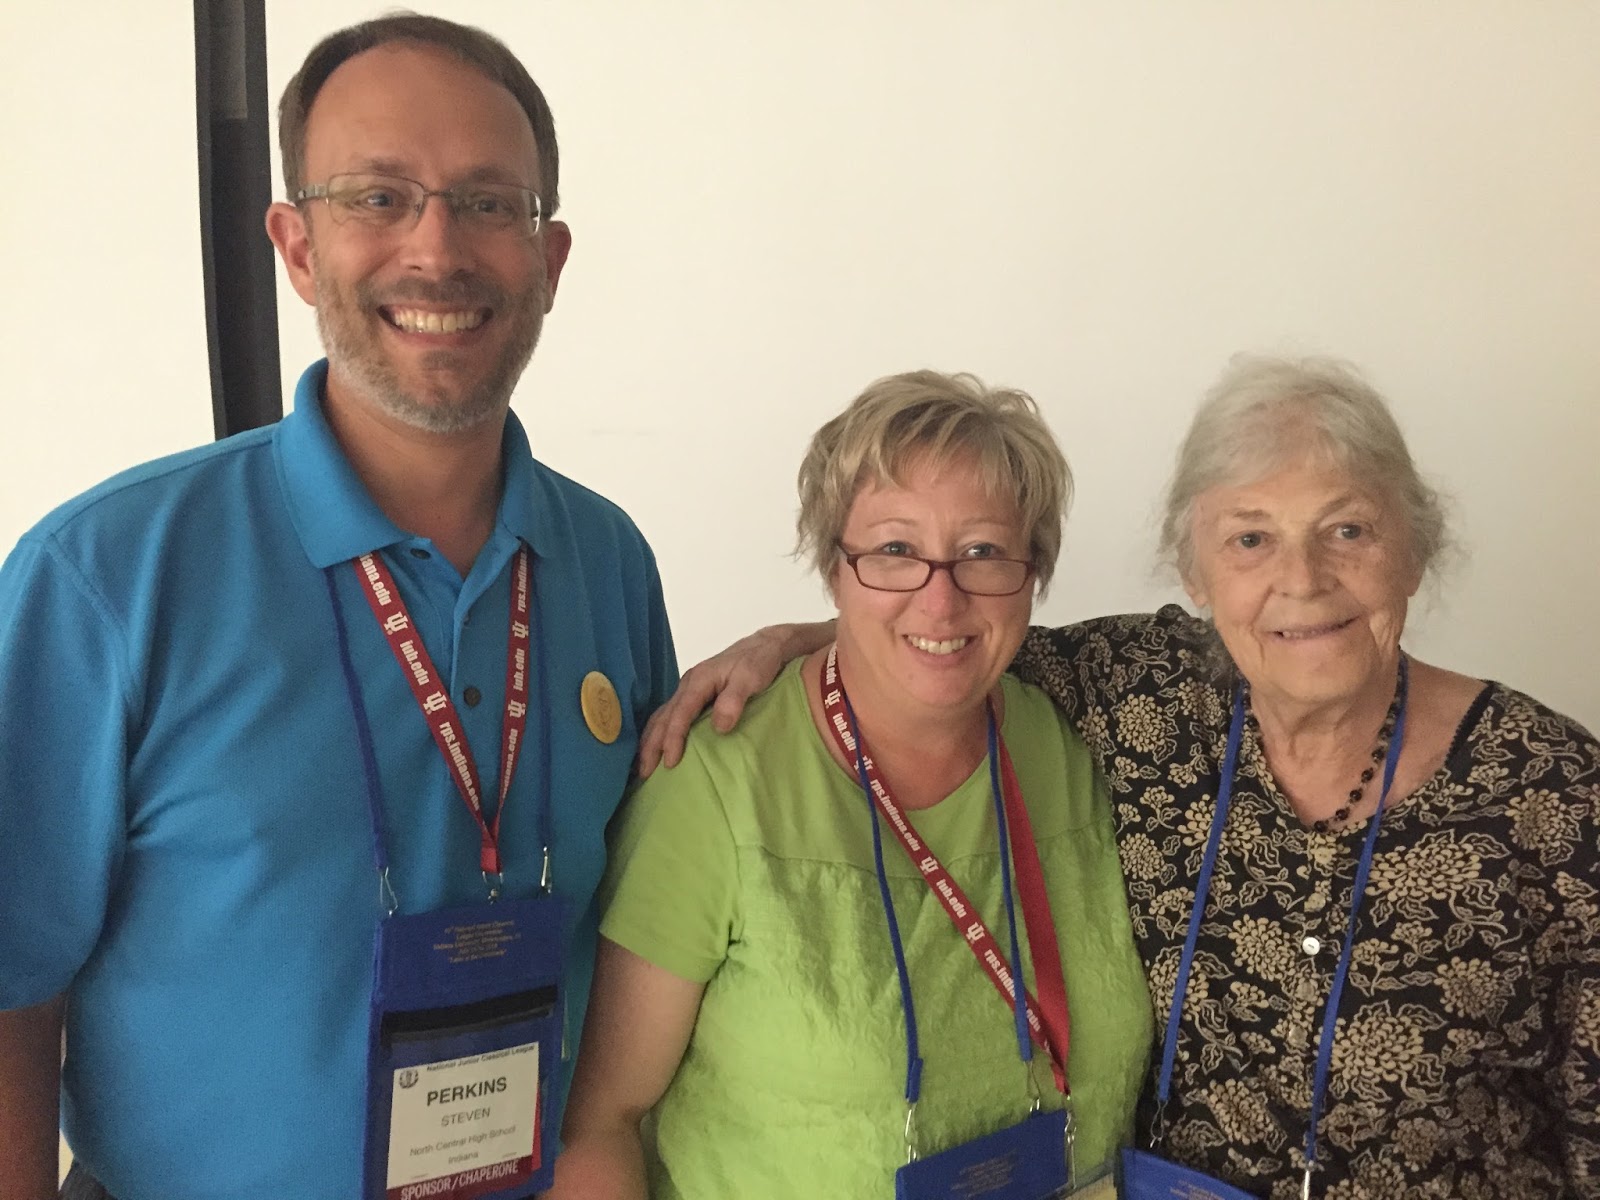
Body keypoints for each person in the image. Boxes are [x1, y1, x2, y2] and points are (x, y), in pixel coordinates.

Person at [640, 355, 1600, 1199]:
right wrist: (791, 639)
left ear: (1417, 547)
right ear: (1195, 569)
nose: (1301, 578)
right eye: (1251, 538)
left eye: (1348, 530)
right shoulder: (1144, 700)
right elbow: (945, 636)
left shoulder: (1554, 796)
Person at [0, 15, 675, 1200]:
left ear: (549, 259)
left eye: (486, 204)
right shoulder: (106, 578)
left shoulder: (608, 560)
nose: (436, 250)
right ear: (297, 247)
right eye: (378, 196)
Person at [550, 371, 1150, 1199]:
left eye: (982, 551)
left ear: (1033, 572)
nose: (940, 597)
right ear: (834, 566)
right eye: (895, 551)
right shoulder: (718, 783)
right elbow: (598, 1123)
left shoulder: (1084, 742)